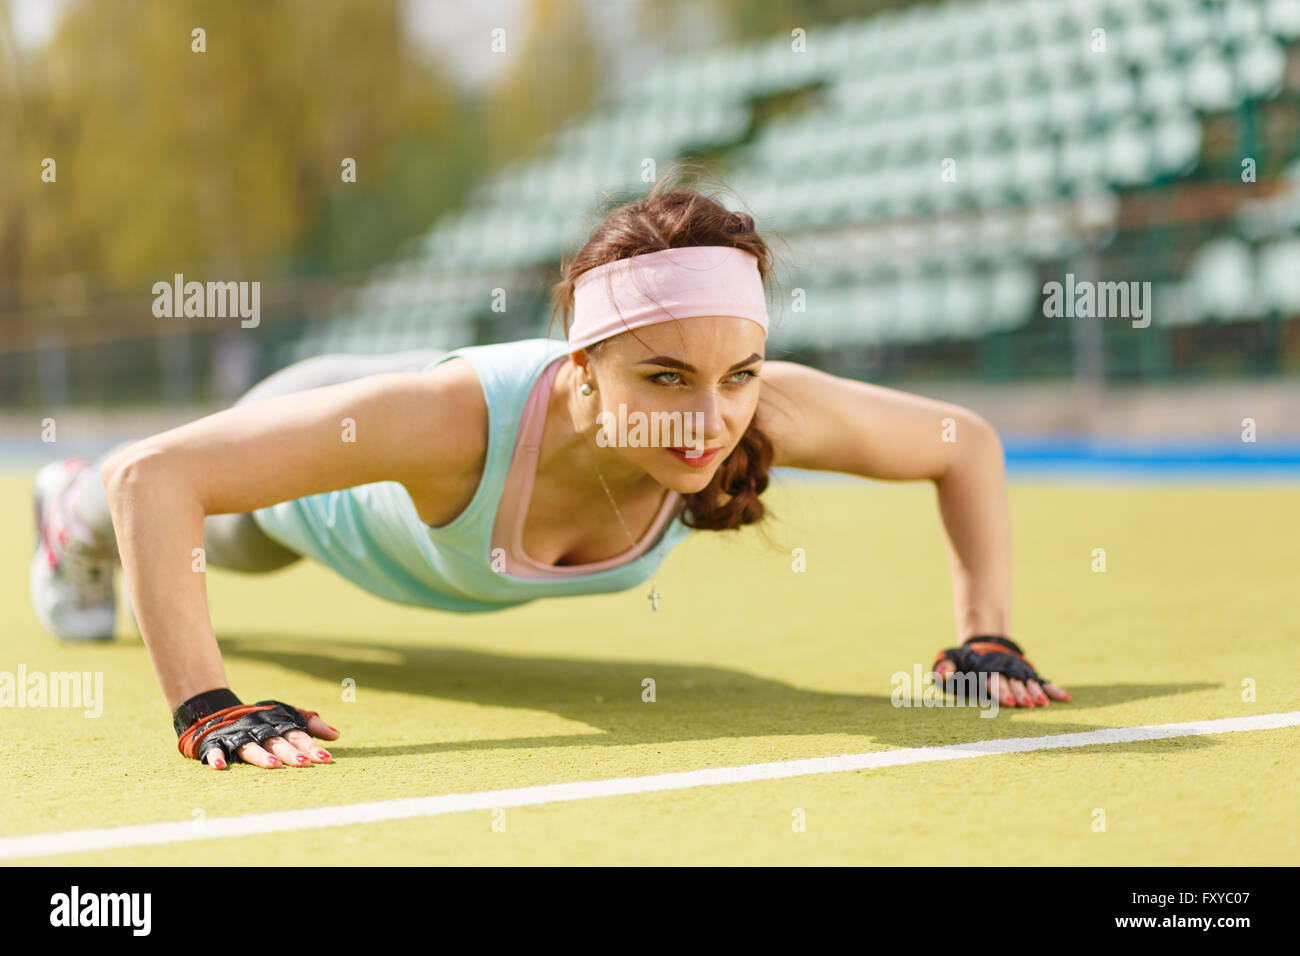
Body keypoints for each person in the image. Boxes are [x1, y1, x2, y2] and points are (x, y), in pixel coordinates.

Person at [29, 179, 1070, 771]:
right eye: (665, 375)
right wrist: (205, 704)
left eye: (737, 373)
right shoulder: (449, 422)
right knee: (210, 536)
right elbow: (162, 480)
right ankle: (58, 504)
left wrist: (984, 637)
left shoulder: (750, 407)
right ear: (582, 364)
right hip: (328, 470)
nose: (709, 419)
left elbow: (961, 441)